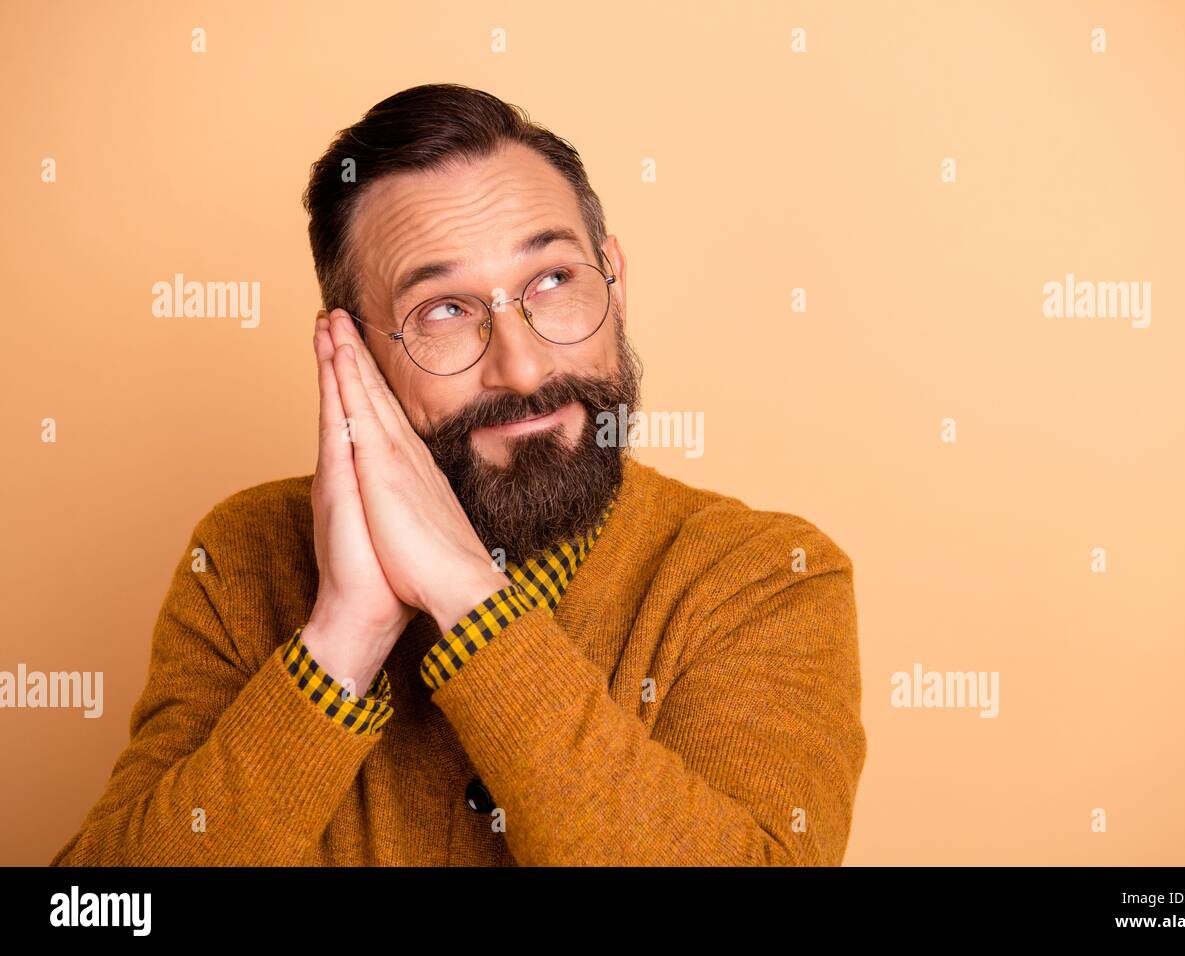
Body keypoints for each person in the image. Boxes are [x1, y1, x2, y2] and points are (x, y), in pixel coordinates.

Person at [51, 83, 867, 866]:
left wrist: (473, 604)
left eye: (551, 281)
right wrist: (343, 639)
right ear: (355, 355)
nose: (521, 366)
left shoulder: (764, 576)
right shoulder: (242, 558)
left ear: (615, 283)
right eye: (443, 310)